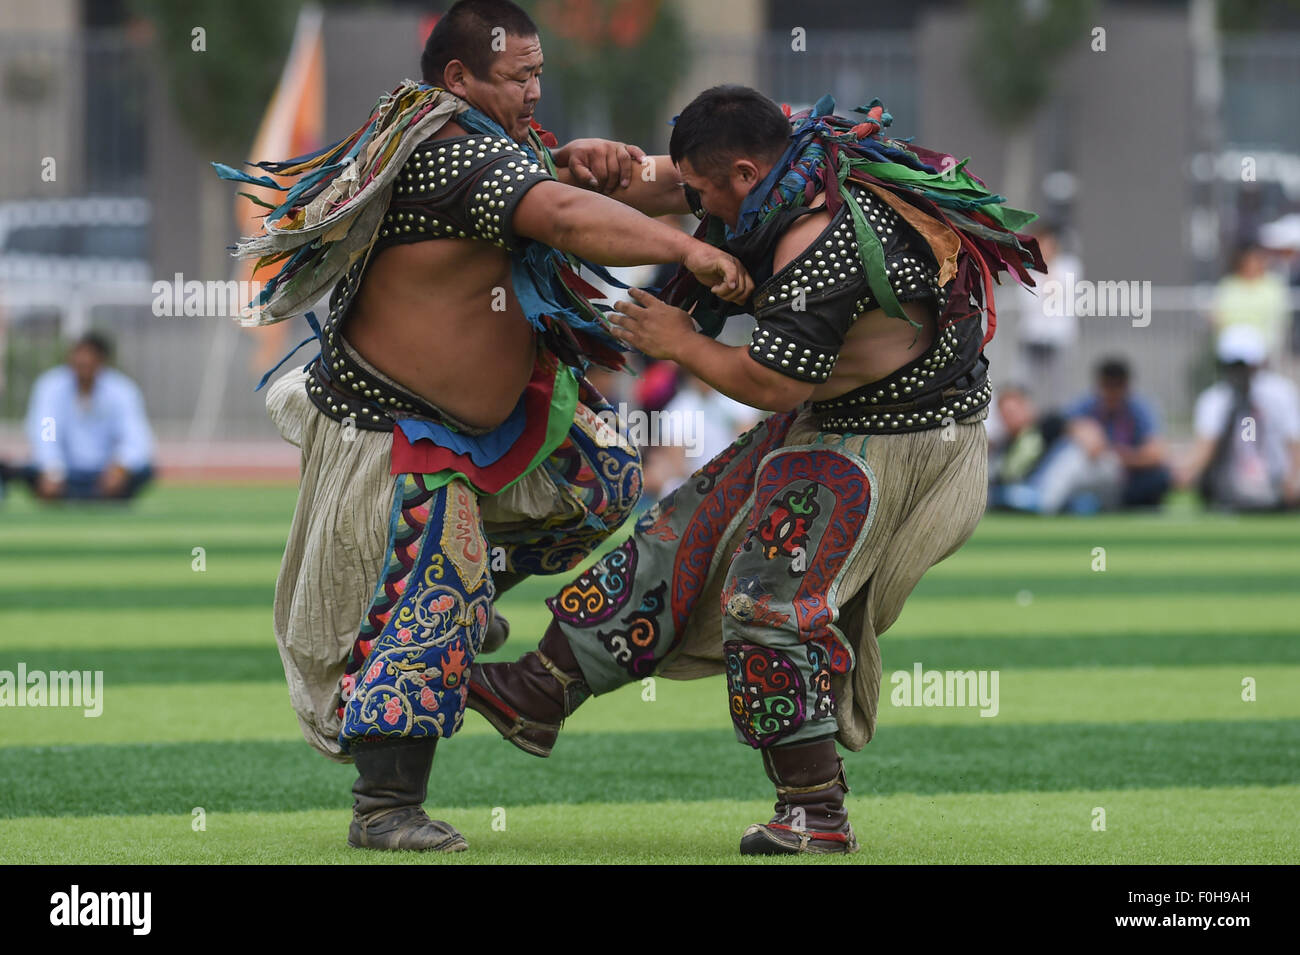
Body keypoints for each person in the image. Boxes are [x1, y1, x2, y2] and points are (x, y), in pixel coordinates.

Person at [213, 0, 750, 853]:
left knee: (604, 479)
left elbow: (623, 188)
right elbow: (569, 219)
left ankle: (474, 595)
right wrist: (686, 249)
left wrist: (725, 171)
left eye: (541, 74)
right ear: (458, 78)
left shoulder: (506, 146)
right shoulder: (442, 152)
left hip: (496, 429)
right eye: (518, 77)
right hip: (400, 432)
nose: (536, 91)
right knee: (433, 590)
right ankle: (384, 807)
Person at [467, 85, 1045, 855]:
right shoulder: (791, 153)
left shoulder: (817, 240)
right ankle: (542, 688)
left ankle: (816, 813)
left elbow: (777, 383)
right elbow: (661, 182)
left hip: (903, 441)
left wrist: (678, 339)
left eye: (705, 194)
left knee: (767, 596)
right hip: (834, 423)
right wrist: (575, 168)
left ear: (744, 173)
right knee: (681, 529)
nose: (695, 205)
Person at [2, 331, 154, 502]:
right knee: (28, 470)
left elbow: (135, 437)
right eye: (78, 356)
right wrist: (53, 471)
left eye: (89, 357)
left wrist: (120, 468)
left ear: (102, 360)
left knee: (144, 470)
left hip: (106, 473)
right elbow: (45, 433)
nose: (82, 362)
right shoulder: (50, 387)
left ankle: (91, 496)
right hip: (63, 473)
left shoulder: (122, 390)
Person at [1177, 325, 1300, 511]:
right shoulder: (1214, 399)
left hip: (1276, 479)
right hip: (1230, 481)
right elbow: (1205, 447)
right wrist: (1185, 471)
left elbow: (1294, 442)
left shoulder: (1281, 393)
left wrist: (1293, 478)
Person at [1062, 358, 1171, 509]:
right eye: (1107, 386)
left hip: (1128, 474)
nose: (1112, 393)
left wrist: (1120, 457)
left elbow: (1156, 453)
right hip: (1093, 471)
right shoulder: (1084, 406)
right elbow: (1063, 431)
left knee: (1159, 478)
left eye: (1117, 387)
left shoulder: (1141, 408)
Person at [1010, 222, 1080, 411]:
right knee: (1024, 382)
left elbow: (1059, 291)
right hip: (1032, 335)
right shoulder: (1027, 270)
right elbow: (1028, 302)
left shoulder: (1068, 266)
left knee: (1059, 386)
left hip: (1058, 336)